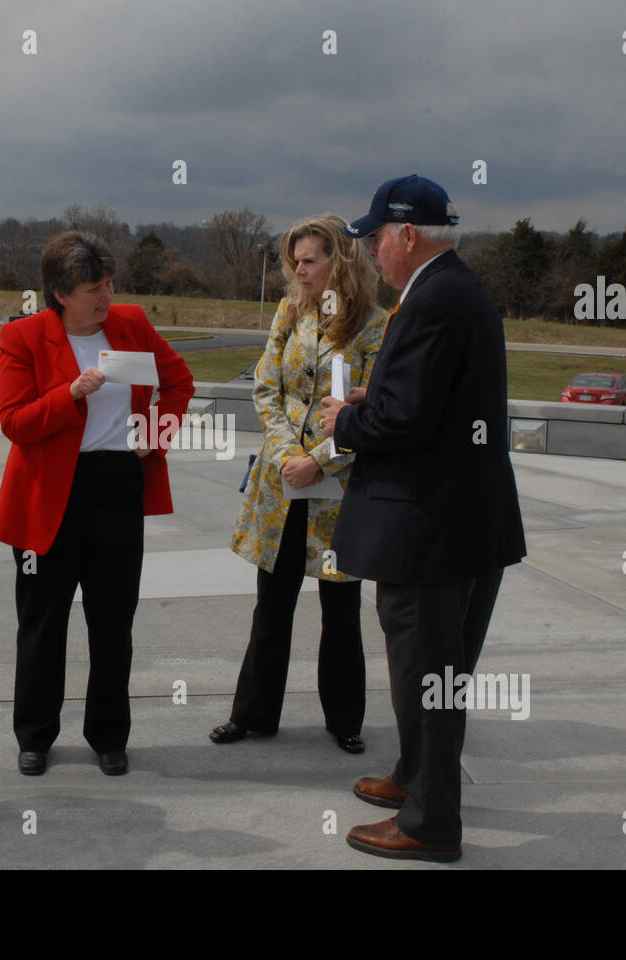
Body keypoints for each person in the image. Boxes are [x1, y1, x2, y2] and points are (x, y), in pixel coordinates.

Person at [320, 175, 527, 861]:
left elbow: (403, 419)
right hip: (458, 524)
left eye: (376, 238)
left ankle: (430, 823)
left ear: (407, 236)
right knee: (435, 670)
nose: (371, 253)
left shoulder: (433, 302)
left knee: (429, 675)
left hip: (432, 532)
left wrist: (346, 416)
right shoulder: (454, 291)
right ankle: (414, 778)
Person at [0, 230, 195, 777]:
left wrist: (158, 428)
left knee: (112, 622)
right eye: (92, 289)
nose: (105, 297)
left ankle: (109, 735)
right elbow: (14, 422)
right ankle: (34, 735)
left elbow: (179, 381)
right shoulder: (25, 337)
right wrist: (70, 394)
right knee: (41, 622)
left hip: (116, 485)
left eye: (108, 284)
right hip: (46, 495)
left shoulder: (131, 325)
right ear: (60, 292)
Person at [213, 215, 386, 754]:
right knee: (272, 605)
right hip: (282, 485)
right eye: (296, 260)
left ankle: (344, 719)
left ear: (341, 261)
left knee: (340, 611)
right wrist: (291, 455)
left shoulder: (375, 326)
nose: (299, 269)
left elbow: (378, 411)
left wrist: (320, 461)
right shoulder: (290, 312)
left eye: (310, 259)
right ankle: (253, 714)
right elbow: (266, 387)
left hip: (338, 493)